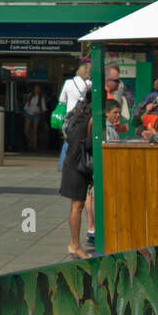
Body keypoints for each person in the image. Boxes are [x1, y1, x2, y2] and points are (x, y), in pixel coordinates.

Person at [59, 89, 95, 258]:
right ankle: (75, 244)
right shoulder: (92, 119)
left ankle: (75, 243)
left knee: (77, 205)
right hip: (79, 165)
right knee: (77, 206)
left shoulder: (77, 114)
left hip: (71, 162)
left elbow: (66, 134)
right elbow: (90, 144)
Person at [23, 85, 46, 151]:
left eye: (38, 89)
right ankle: (30, 142)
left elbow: (44, 110)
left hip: (36, 114)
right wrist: (25, 111)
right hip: (28, 113)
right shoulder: (30, 95)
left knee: (34, 131)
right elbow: (27, 104)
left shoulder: (41, 98)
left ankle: (34, 146)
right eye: (36, 88)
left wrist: (38, 112)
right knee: (26, 130)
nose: (36, 90)